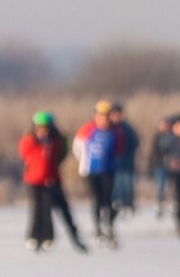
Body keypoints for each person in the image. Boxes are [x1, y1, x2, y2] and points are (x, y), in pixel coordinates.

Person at [18, 111, 86, 252]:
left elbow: (62, 155)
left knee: (48, 208)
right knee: (36, 209)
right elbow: (24, 155)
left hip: (51, 180)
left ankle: (48, 237)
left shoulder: (57, 141)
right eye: (40, 128)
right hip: (33, 181)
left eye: (45, 128)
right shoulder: (28, 141)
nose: (42, 131)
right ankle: (34, 237)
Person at [73, 100, 123, 248]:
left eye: (106, 116)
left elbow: (120, 149)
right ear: (95, 116)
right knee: (96, 200)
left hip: (108, 170)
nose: (104, 119)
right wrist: (84, 162)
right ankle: (98, 230)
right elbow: (77, 148)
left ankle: (108, 227)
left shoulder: (115, 131)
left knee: (108, 200)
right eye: (101, 116)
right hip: (90, 171)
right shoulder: (87, 129)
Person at [110, 104, 139, 217]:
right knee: (116, 186)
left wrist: (129, 154)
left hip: (127, 162)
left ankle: (128, 205)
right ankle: (116, 204)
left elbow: (135, 143)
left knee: (127, 185)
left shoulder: (128, 128)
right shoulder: (109, 128)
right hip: (113, 164)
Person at [150, 115, 176, 220]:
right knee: (160, 186)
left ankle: (173, 201)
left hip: (170, 166)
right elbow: (153, 152)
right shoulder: (157, 137)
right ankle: (159, 202)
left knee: (171, 185)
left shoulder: (174, 137)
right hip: (159, 165)